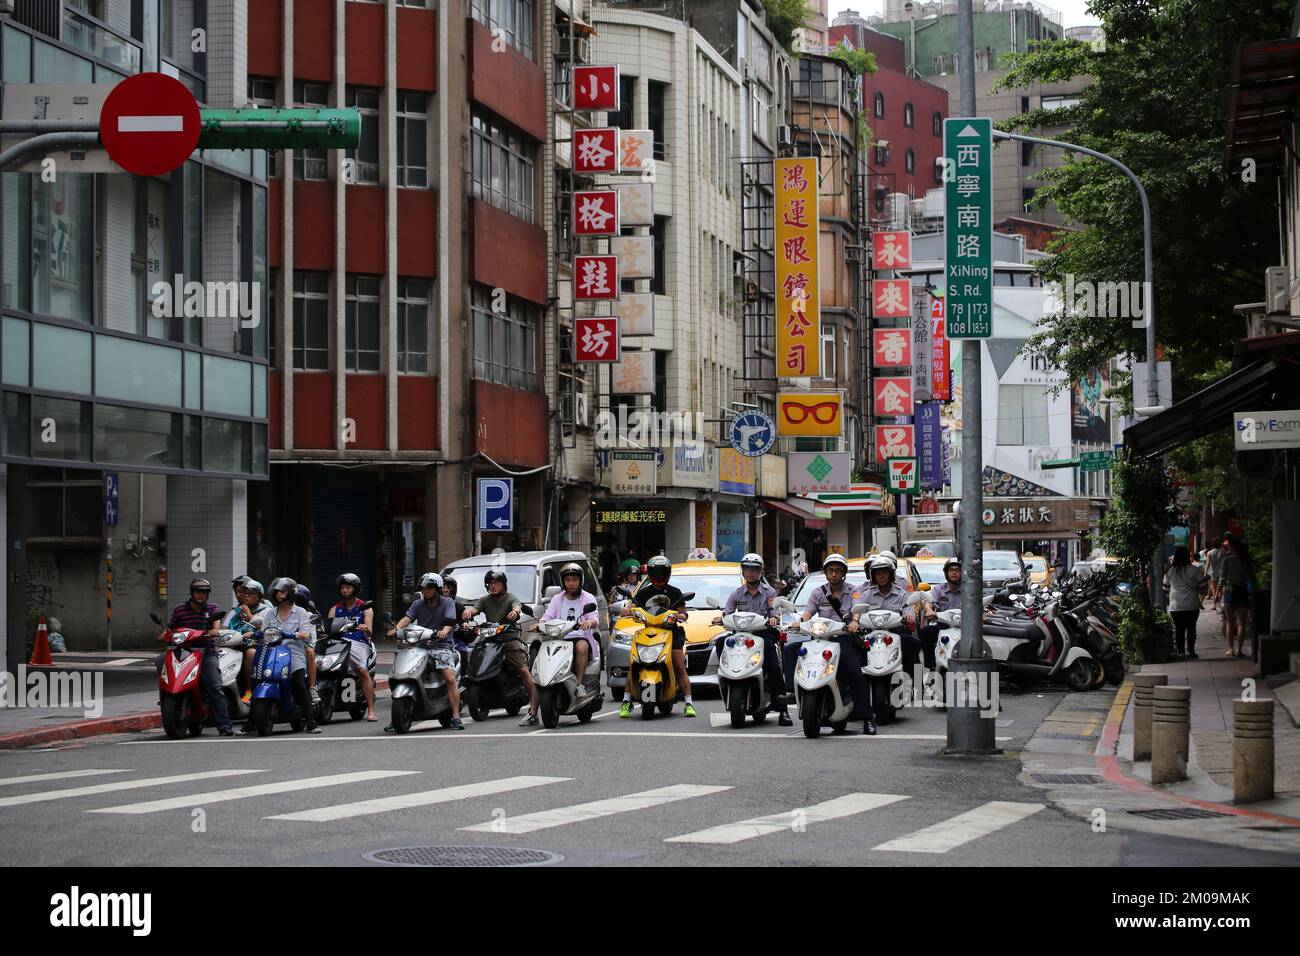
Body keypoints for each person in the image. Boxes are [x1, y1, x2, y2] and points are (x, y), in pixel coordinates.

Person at [711, 553, 792, 726]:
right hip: (740, 635)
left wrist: (773, 619)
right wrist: (722, 617)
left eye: (754, 569)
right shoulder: (737, 593)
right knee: (720, 642)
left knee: (774, 663)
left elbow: (774, 611)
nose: (750, 573)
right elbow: (727, 612)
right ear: (743, 571)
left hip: (762, 635)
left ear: (760, 572)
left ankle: (782, 710)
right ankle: (728, 674)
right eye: (747, 569)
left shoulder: (769, 592)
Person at [800, 554, 874, 735]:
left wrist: (855, 621)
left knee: (855, 672)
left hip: (843, 638)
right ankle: (790, 691)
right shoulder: (818, 592)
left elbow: (857, 608)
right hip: (821, 639)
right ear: (826, 572)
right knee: (793, 651)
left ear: (844, 573)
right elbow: (808, 613)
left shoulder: (854, 590)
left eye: (838, 570)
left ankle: (867, 718)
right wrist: (800, 622)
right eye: (831, 570)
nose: (834, 574)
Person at [618, 555, 695, 718]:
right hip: (648, 632)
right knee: (634, 663)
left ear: (668, 573)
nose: (659, 576)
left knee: (679, 666)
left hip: (671, 633)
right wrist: (626, 610)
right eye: (656, 572)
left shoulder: (675, 592)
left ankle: (688, 703)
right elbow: (632, 605)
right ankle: (626, 701)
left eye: (662, 572)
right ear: (651, 573)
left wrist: (682, 616)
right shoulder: (644, 592)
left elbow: (683, 611)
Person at [463, 569, 541, 726]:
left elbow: (516, 607)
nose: (493, 586)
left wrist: (514, 612)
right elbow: (474, 609)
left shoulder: (510, 598)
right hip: (490, 638)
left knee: (523, 670)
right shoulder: (485, 600)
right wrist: (468, 613)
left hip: (509, 639)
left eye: (497, 583)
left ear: (504, 584)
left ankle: (534, 708)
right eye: (490, 583)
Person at [155, 578, 233, 736]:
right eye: (198, 592)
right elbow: (171, 628)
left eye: (204, 592)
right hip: (182, 650)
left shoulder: (212, 608)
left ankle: (224, 726)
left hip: (205, 652)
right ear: (192, 593)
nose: (200, 595)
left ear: (207, 595)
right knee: (160, 660)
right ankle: (167, 694)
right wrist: (165, 633)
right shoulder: (180, 610)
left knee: (214, 685)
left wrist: (214, 630)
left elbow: (216, 623)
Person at [388, 572, 464, 730]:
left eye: (429, 588)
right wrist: (395, 629)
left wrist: (445, 631)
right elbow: (407, 618)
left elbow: (450, 621)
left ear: (437, 589)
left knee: (449, 677)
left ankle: (456, 716)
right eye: (423, 588)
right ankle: (397, 714)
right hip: (420, 646)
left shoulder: (447, 602)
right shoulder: (418, 604)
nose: (425, 591)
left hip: (441, 646)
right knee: (399, 673)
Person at [249, 577, 321, 734]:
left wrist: (301, 634)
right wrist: (255, 634)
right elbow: (265, 630)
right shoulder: (269, 613)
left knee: (298, 682)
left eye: (282, 592)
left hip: (294, 652)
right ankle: (250, 722)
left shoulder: (302, 613)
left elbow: (307, 633)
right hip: (272, 651)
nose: (279, 595)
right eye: (277, 592)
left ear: (291, 594)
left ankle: (311, 721)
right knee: (257, 678)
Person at [856, 554, 923, 692]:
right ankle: (857, 686)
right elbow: (858, 610)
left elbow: (908, 609)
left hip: (895, 633)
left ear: (891, 574)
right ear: (872, 576)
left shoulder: (902, 594)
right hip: (871, 634)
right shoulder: (867, 594)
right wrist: (855, 620)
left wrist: (909, 616)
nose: (881, 576)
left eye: (884, 573)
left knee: (913, 643)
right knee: (855, 647)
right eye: (877, 573)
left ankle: (913, 681)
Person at [540, 562, 601, 705]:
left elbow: (594, 618)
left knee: (581, 647)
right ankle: (534, 708)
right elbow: (548, 615)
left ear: (580, 580)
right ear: (563, 582)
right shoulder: (557, 599)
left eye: (575, 580)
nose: (571, 583)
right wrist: (540, 623)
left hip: (580, 638)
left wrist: (589, 622)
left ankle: (579, 685)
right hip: (560, 639)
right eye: (568, 580)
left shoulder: (588, 598)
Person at [328, 573, 378, 721]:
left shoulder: (365, 608)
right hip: (339, 643)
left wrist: (364, 628)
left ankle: (371, 709)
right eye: (343, 587)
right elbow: (328, 629)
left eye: (348, 587)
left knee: (362, 671)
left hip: (359, 643)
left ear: (355, 589)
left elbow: (370, 633)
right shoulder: (335, 609)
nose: (345, 590)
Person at [916, 557, 962, 670]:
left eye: (957, 570)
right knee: (925, 632)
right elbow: (929, 602)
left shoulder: (969, 590)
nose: (954, 573)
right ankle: (930, 666)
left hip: (964, 627)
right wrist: (929, 610)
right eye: (951, 570)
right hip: (943, 625)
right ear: (946, 573)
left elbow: (979, 604)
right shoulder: (938, 589)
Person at [1164, 547, 1206, 659]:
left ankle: (1181, 652)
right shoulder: (1194, 570)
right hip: (1192, 604)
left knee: (1179, 628)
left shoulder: (1170, 570)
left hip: (1176, 605)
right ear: (1187, 556)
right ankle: (1191, 651)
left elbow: (1165, 588)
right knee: (1192, 628)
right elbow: (1203, 588)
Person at [1217, 534, 1254, 658]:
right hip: (1243, 591)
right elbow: (1252, 577)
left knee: (1229, 622)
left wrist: (1218, 592)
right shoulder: (1246, 560)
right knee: (1241, 623)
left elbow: (1222, 577)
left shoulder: (1227, 560)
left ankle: (1231, 649)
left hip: (1230, 592)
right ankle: (1239, 650)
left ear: (1233, 547)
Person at [1203, 541, 1223, 610]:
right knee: (1220, 589)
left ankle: (1214, 604)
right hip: (1222, 572)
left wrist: (1205, 573)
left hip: (1213, 572)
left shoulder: (1209, 553)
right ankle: (1219, 602)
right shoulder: (1224, 552)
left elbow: (1208, 564)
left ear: (1213, 545)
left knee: (1214, 589)